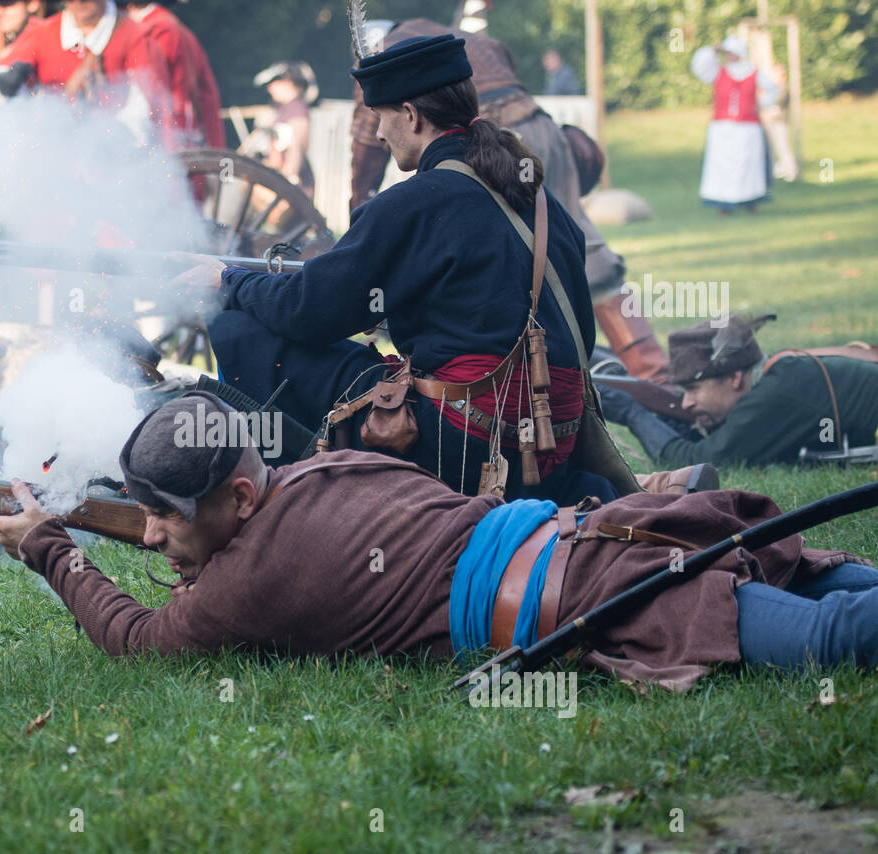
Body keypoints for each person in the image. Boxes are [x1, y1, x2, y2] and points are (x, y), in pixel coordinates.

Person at [0, 392, 878, 692]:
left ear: (241, 498)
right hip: (607, 537)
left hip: (604, 598)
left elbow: (136, 641)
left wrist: (50, 550)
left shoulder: (252, 585)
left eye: (169, 514)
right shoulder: (332, 470)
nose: (156, 533)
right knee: (825, 580)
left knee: (831, 638)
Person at [177, 33, 619, 505]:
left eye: (382, 118)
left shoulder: (411, 204)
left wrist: (228, 279)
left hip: (470, 449)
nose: (381, 134)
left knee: (242, 329)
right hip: (554, 445)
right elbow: (573, 333)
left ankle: (274, 502)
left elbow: (307, 310)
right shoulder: (537, 196)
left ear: (410, 115)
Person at [349, 17, 670, 384]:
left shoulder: (389, 63)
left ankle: (636, 378)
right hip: (536, 129)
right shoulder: (455, 36)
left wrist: (359, 205)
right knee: (583, 254)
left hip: (490, 136)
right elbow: (506, 62)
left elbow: (365, 144)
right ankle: (654, 372)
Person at [602, 317, 878, 469]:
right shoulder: (779, 373)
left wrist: (631, 412)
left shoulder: (773, 395)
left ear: (734, 377)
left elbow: (695, 462)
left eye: (693, 389)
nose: (686, 402)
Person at [0, 0, 172, 144]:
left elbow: (150, 110)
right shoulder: (42, 32)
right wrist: (7, 88)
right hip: (52, 163)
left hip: (116, 168)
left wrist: (111, 139)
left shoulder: (137, 38)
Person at [119, 0, 224, 148]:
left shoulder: (157, 31)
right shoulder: (165, 26)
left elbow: (159, 97)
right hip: (183, 138)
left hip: (175, 140)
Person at [690, 35, 777, 214]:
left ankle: (750, 200)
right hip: (722, 128)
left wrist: (759, 105)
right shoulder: (718, 72)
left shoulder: (753, 72)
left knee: (748, 164)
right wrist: (712, 51)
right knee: (722, 165)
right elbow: (699, 66)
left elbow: (772, 89)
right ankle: (723, 202)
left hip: (747, 128)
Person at [252, 61, 316, 196]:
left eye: (274, 82)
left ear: (288, 80)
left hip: (290, 188)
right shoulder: (285, 109)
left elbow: (295, 151)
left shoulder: (297, 111)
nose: (269, 88)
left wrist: (289, 179)